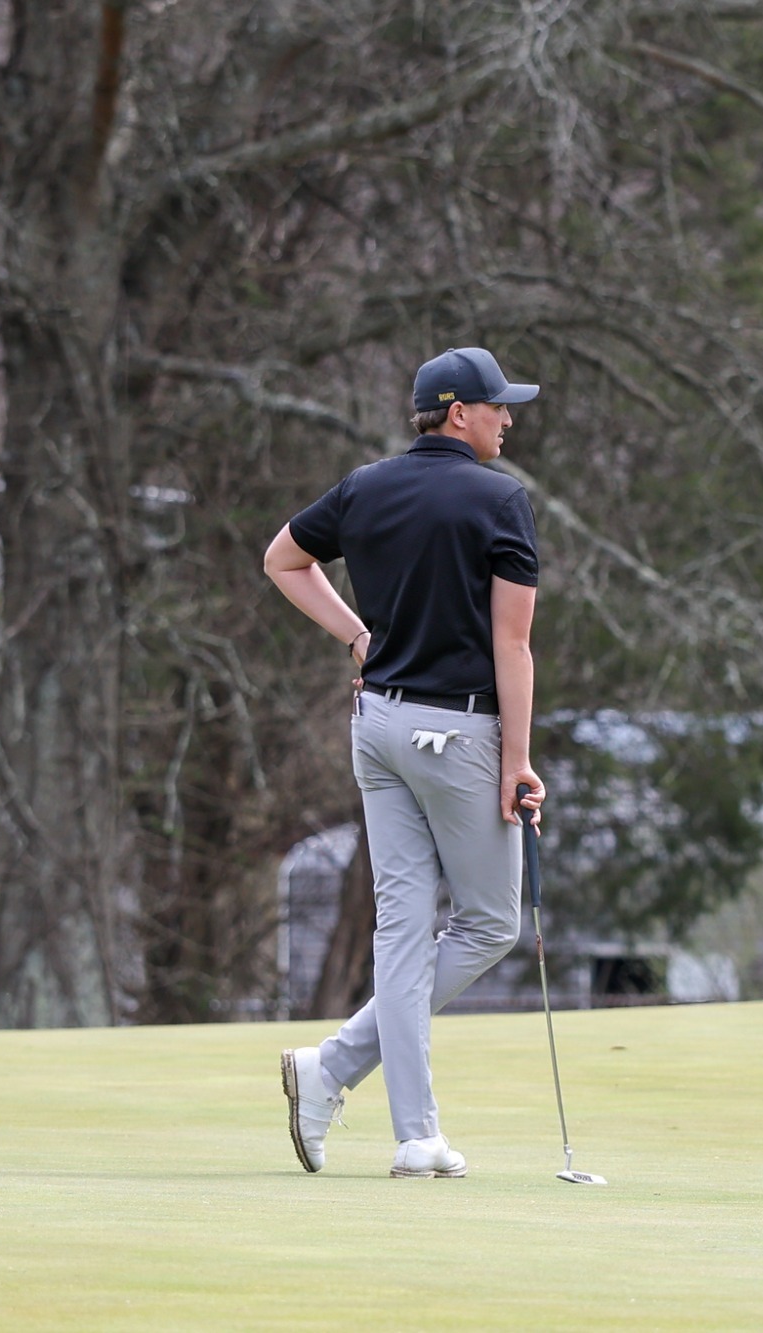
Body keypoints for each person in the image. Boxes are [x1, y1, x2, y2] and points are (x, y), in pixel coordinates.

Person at [263, 346, 547, 1179]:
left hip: (378, 725)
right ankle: (345, 1071)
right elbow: (513, 644)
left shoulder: (364, 486)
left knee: (402, 928)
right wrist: (519, 760)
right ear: (459, 413)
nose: (507, 419)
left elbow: (283, 559)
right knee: (488, 923)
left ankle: (395, 1119)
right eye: (498, 405)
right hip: (459, 734)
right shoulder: (502, 499)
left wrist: (358, 636)